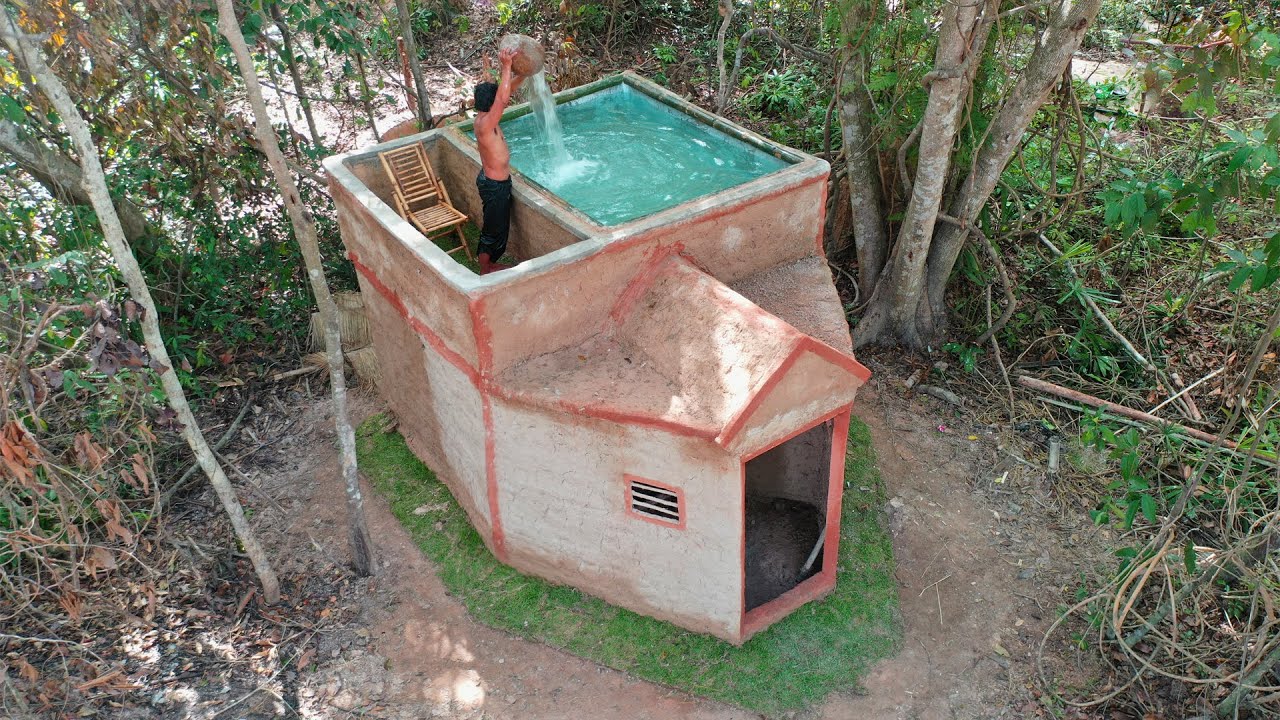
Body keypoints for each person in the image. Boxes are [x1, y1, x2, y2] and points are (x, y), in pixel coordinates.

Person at [472, 47, 526, 275]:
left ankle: (490, 263)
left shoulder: (487, 115)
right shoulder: (485, 124)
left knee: (499, 227)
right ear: (491, 102)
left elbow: (506, 92)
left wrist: (523, 73)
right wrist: (505, 67)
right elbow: (503, 98)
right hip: (494, 186)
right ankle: (485, 268)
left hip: (496, 182)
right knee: (492, 230)